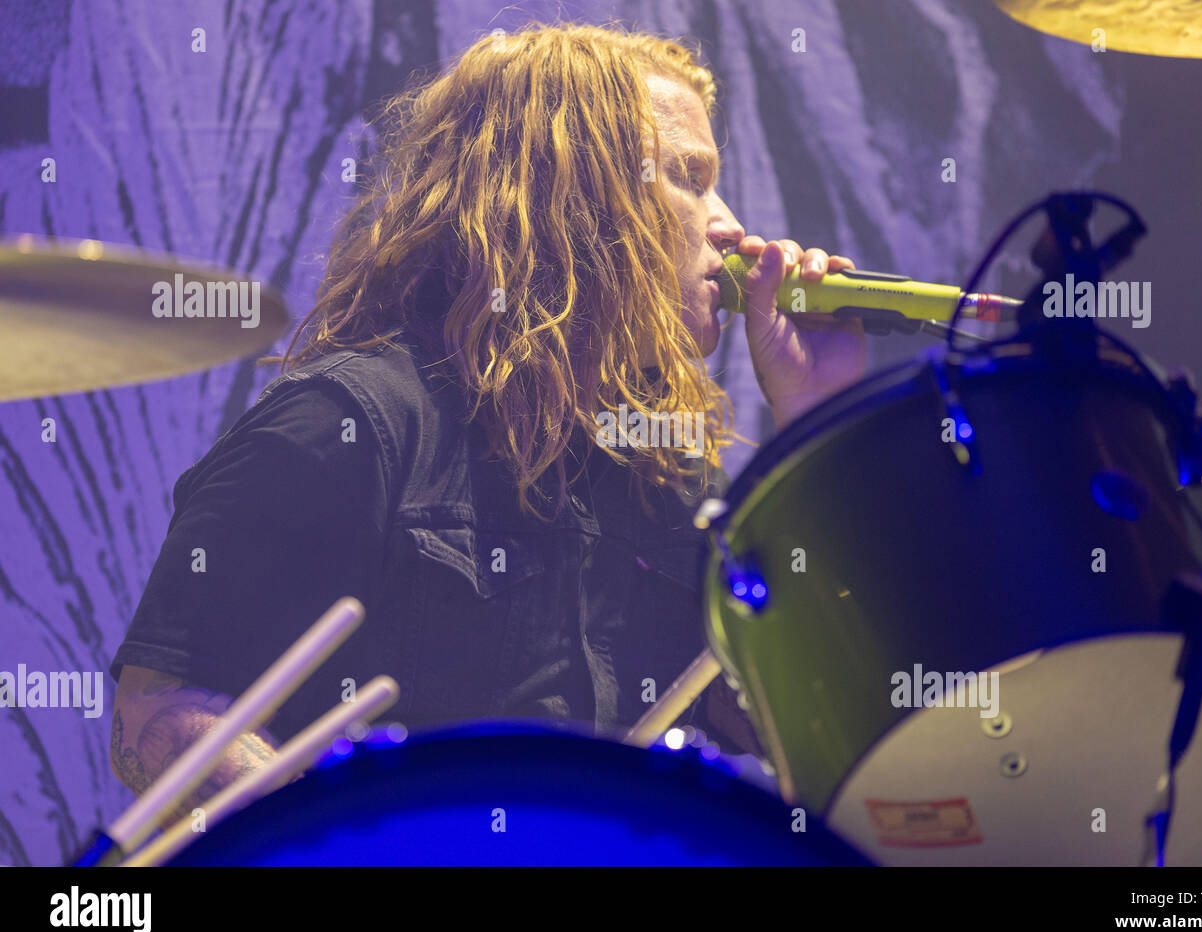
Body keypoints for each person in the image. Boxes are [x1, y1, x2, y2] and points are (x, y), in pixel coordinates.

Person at [108, 22, 867, 803]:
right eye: (690, 176)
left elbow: (793, 727)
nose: (730, 221)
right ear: (572, 192)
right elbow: (161, 715)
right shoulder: (354, 423)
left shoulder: (661, 467)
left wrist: (818, 418)